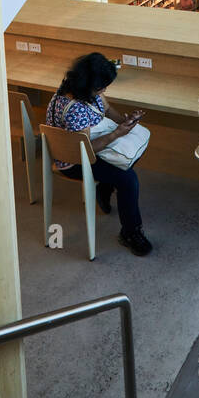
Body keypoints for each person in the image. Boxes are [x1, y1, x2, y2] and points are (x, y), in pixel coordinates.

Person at [46, 53, 152, 255]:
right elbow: (85, 149)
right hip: (73, 160)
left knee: (130, 154)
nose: (105, 90)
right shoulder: (74, 109)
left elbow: (108, 109)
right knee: (128, 178)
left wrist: (125, 121)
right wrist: (116, 134)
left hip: (88, 145)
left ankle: (105, 186)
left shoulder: (83, 89)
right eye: (102, 87)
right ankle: (130, 233)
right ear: (90, 84)